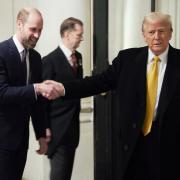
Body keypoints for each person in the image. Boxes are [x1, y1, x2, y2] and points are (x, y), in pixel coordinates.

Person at [44, 12, 180, 180]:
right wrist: (64, 88)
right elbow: (98, 82)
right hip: (133, 144)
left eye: (162, 31)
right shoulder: (127, 59)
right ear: (144, 35)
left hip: (169, 147)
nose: (157, 37)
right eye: (151, 32)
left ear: (171, 33)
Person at [0, 7, 61, 180]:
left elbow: (36, 103)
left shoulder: (35, 58)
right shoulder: (2, 52)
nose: (37, 35)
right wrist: (37, 88)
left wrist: (41, 134)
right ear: (20, 24)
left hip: (21, 141)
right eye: (33, 29)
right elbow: (2, 93)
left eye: (40, 30)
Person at [42, 17, 84, 180]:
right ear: (66, 34)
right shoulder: (49, 61)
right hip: (56, 129)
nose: (82, 38)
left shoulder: (78, 57)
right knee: (59, 175)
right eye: (79, 35)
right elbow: (42, 100)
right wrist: (44, 128)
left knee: (66, 175)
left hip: (73, 129)